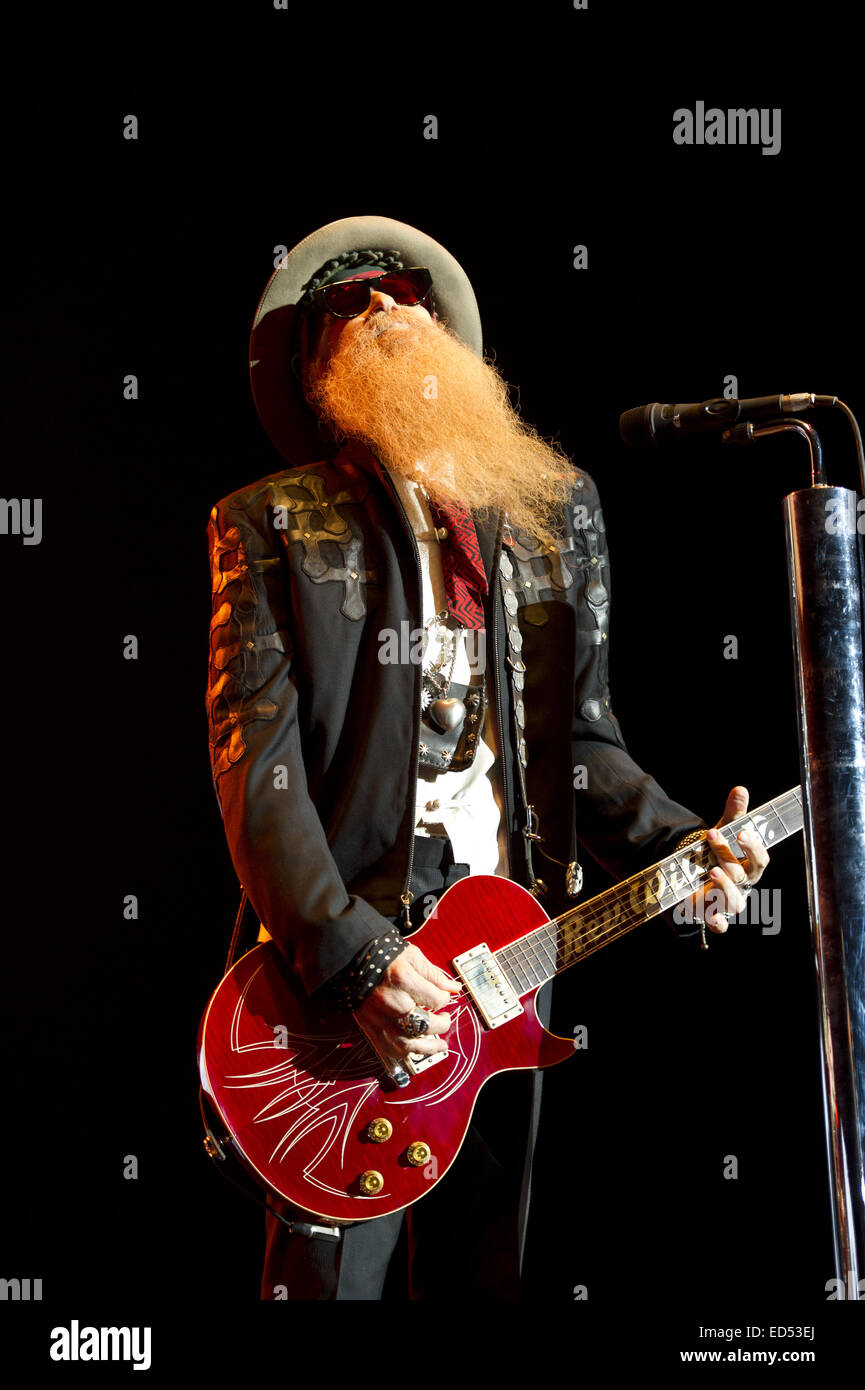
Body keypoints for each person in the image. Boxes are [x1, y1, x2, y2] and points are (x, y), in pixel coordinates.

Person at [204, 215, 770, 1300]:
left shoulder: (556, 515)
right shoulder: (269, 522)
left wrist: (685, 839)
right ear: (315, 368)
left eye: (404, 292)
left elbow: (584, 745)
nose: (385, 310)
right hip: (339, 985)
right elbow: (253, 772)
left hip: (508, 967)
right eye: (348, 303)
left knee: (485, 1273)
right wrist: (355, 959)